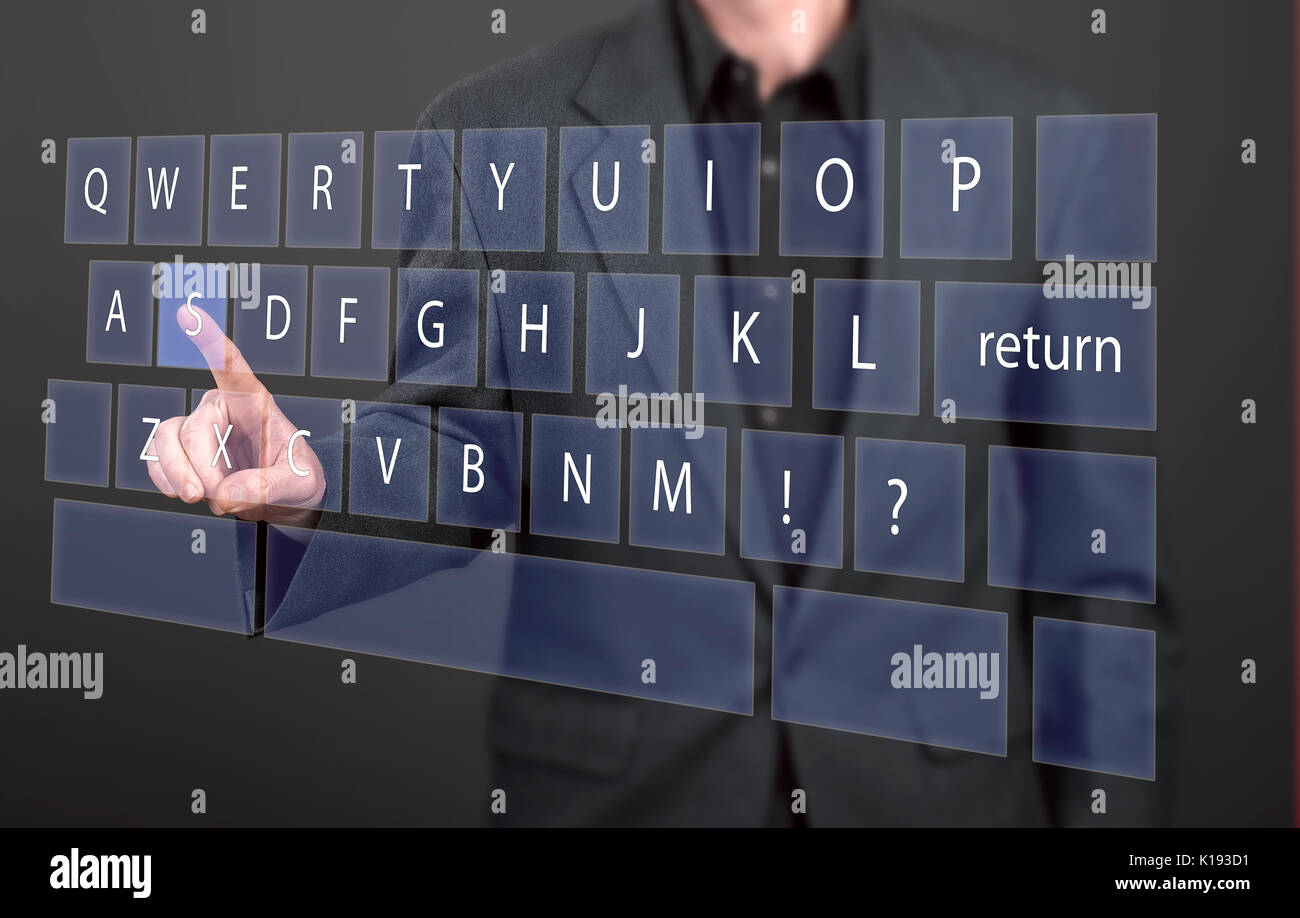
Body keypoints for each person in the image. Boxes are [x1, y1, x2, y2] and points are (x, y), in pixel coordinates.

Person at [146, 0, 1172, 826]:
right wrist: (321, 485)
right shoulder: (496, 131)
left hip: (938, 796)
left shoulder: (1046, 141)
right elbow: (459, 441)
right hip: (620, 796)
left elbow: (1098, 569)